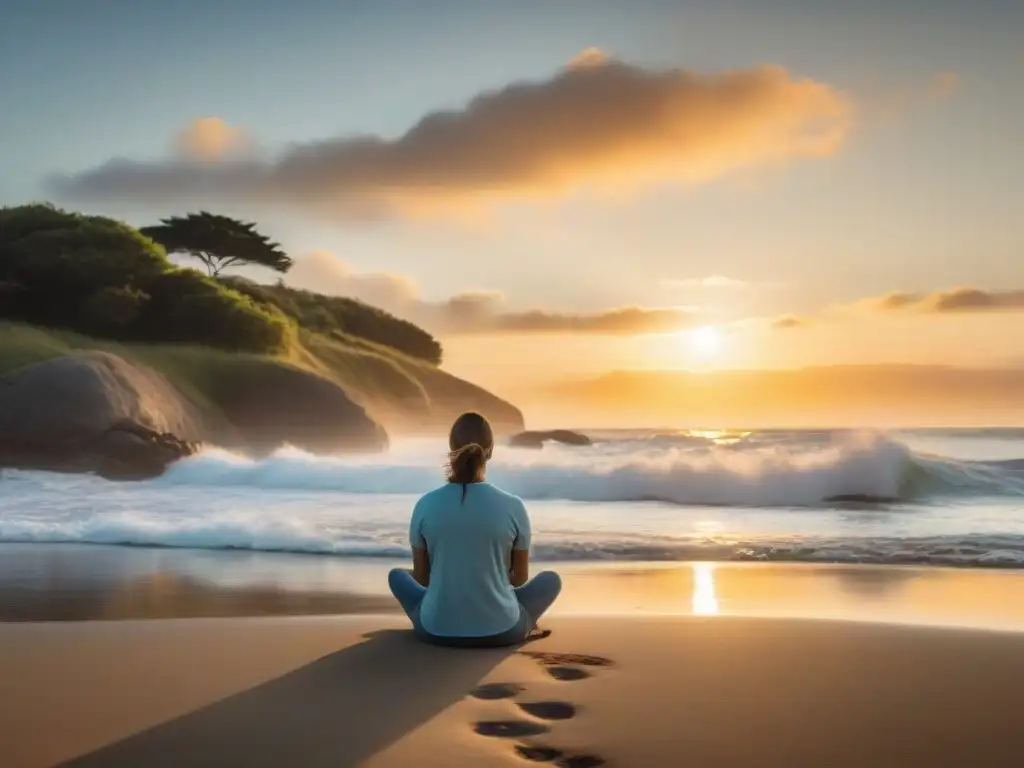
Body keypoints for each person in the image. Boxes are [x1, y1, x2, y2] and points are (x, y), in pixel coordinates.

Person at [388, 412, 562, 647]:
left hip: (435, 630)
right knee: (551, 580)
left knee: (398, 576)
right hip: (502, 630)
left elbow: (422, 579)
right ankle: (523, 622)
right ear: (490, 451)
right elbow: (520, 579)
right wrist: (491, 578)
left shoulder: (425, 504)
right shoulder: (513, 506)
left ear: (451, 448)